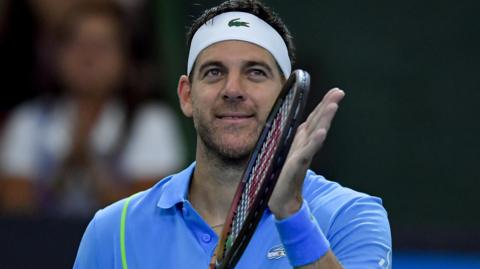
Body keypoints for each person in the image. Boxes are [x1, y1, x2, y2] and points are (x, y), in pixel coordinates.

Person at [73, 0, 392, 268]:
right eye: (214, 72)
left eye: (255, 72)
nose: (233, 90)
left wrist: (292, 215)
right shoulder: (113, 231)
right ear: (186, 95)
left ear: (284, 96)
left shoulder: (349, 216)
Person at [0, 1, 185, 217]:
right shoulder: (27, 121)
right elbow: (15, 211)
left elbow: (149, 214)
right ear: (56, 54)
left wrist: (91, 167)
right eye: (76, 43)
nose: (88, 57)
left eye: (102, 46)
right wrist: (63, 171)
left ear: (125, 57)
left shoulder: (151, 122)